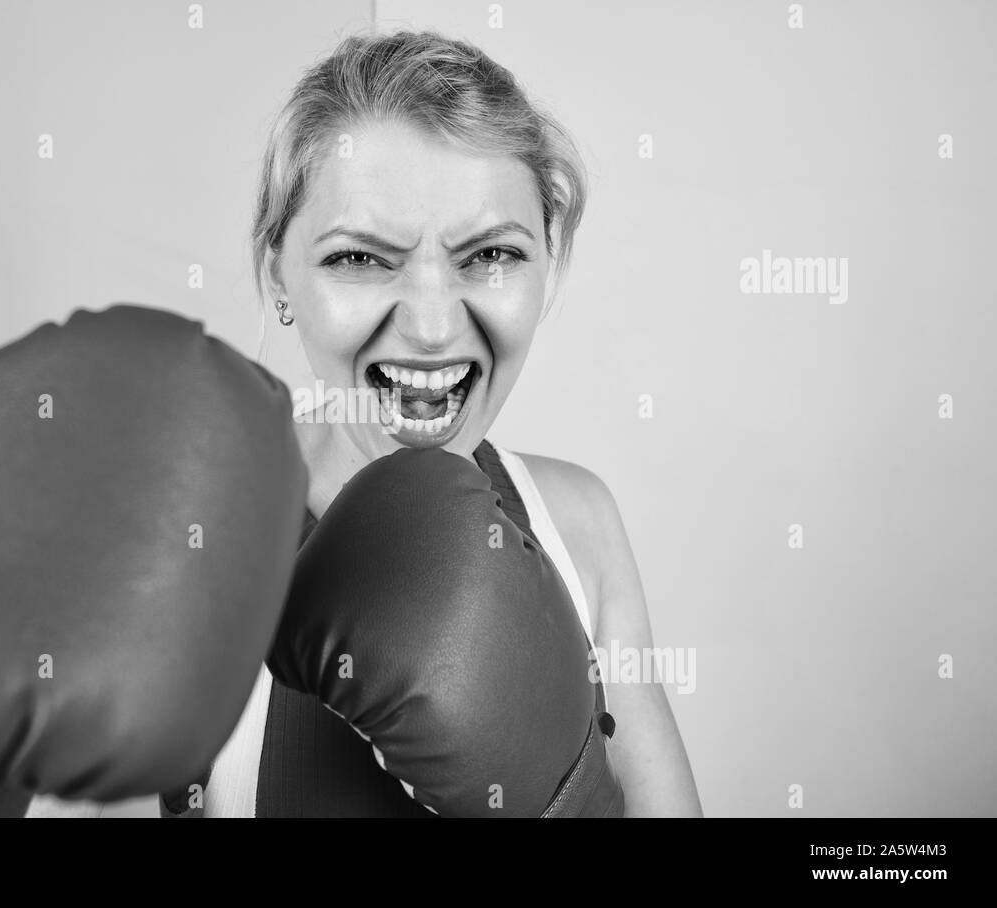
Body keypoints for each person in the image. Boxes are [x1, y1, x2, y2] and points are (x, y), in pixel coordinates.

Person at [161, 29, 702, 817]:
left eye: (490, 255)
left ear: (548, 262)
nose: (432, 325)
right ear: (277, 274)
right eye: (359, 257)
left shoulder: (579, 523)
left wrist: (571, 798)